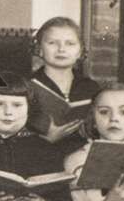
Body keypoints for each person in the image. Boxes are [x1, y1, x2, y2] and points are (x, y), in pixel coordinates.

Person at [29, 17, 100, 158]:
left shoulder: (91, 87)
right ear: (40, 49)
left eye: (70, 43)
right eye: (52, 43)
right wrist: (48, 139)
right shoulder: (27, 86)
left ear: (80, 51)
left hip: (83, 159)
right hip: (38, 158)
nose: (61, 49)